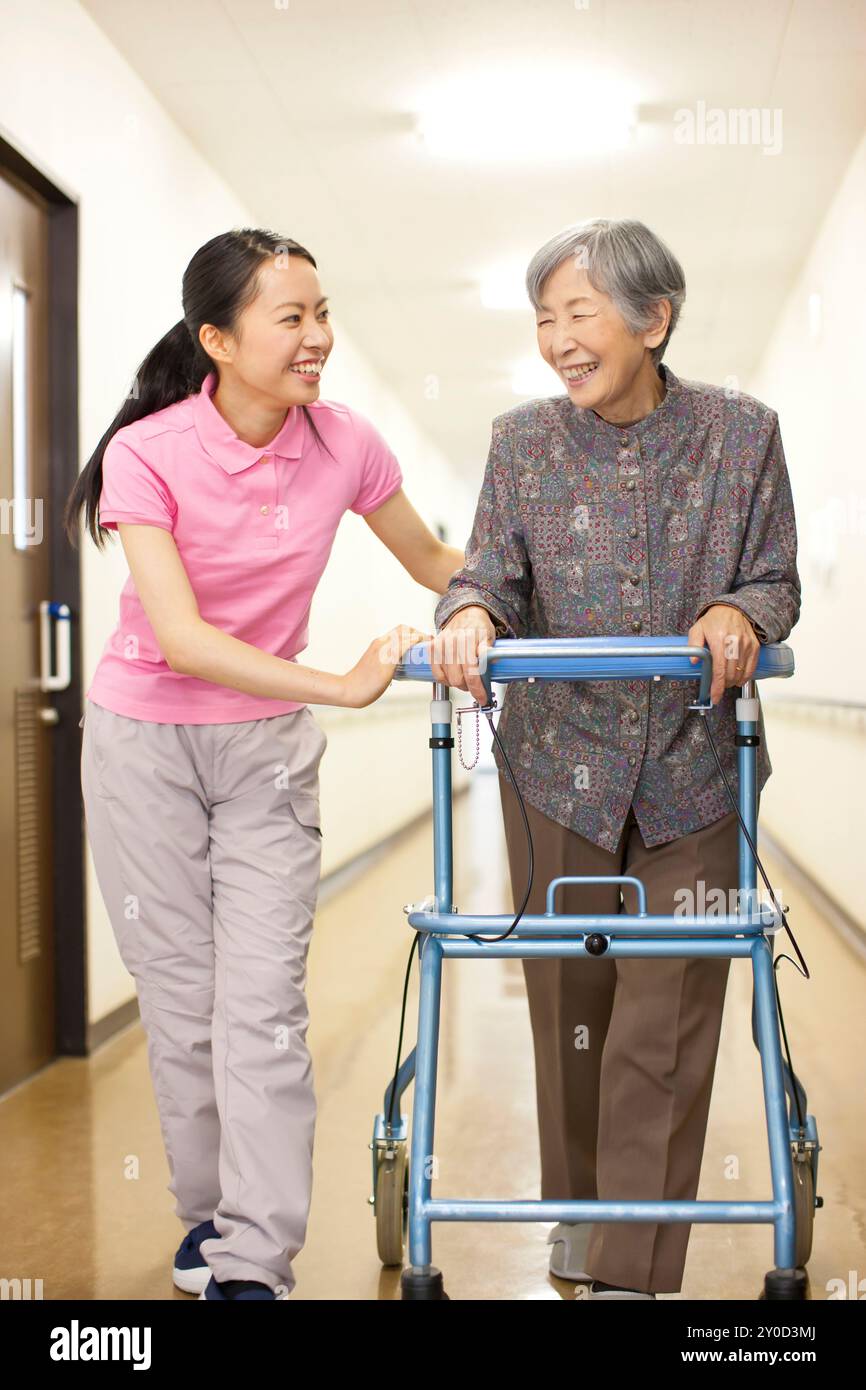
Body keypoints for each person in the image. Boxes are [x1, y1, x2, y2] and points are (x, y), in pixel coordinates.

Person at [64, 227, 458, 1300]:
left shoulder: (345, 446)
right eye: (291, 317)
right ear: (218, 341)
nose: (318, 337)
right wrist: (338, 683)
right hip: (141, 742)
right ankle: (207, 1216)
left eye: (322, 311)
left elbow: (435, 562)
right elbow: (184, 638)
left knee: (264, 1011)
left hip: (263, 757)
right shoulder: (148, 453)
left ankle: (253, 1258)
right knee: (182, 1004)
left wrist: (528, 590)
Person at [430, 217, 801, 1299]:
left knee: (667, 1009)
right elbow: (487, 572)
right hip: (557, 768)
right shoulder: (521, 442)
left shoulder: (740, 434)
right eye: (543, 319)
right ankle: (583, 1221)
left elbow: (774, 576)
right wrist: (465, 613)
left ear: (653, 318)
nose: (556, 339)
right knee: (574, 1009)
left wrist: (736, 604)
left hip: (693, 772)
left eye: (576, 313)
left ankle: (634, 1267)